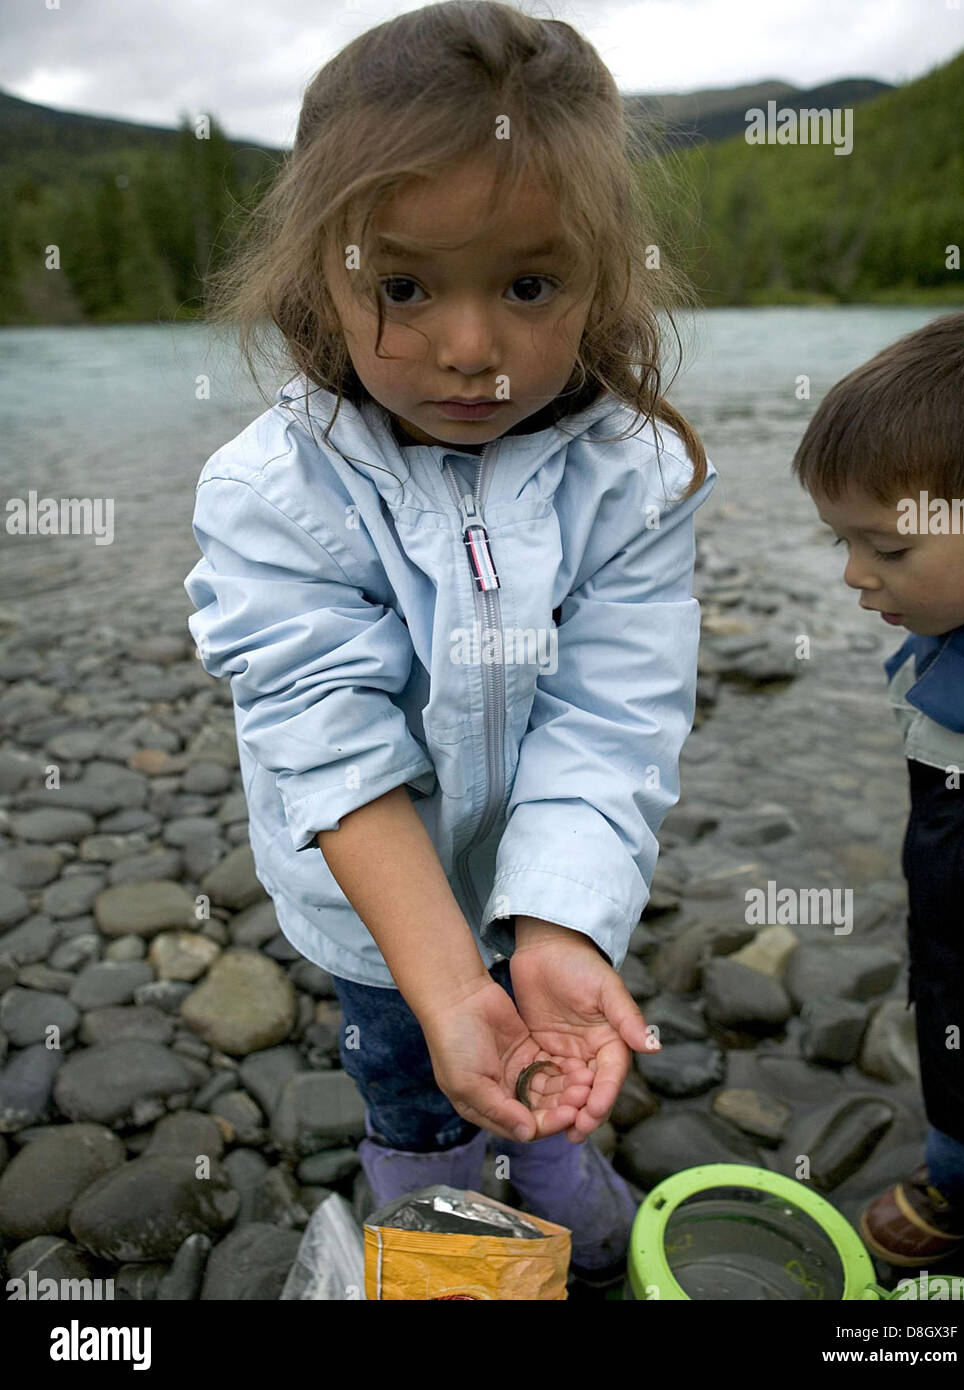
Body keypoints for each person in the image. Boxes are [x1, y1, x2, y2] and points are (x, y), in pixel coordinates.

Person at [184, 0, 716, 1289]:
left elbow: (612, 718)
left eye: (529, 284)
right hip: (375, 914)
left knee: (538, 1035)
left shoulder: (633, 475)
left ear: (601, 276)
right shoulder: (274, 490)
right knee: (408, 1067)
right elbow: (326, 733)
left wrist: (558, 929)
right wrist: (436, 977)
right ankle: (422, 1197)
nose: (469, 349)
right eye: (404, 286)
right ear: (320, 270)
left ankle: (544, 1161)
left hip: (550, 872)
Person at [792, 308, 964, 1268]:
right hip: (961, 926)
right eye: (844, 541)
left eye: (887, 550)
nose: (852, 575)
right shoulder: (945, 646)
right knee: (959, 1046)